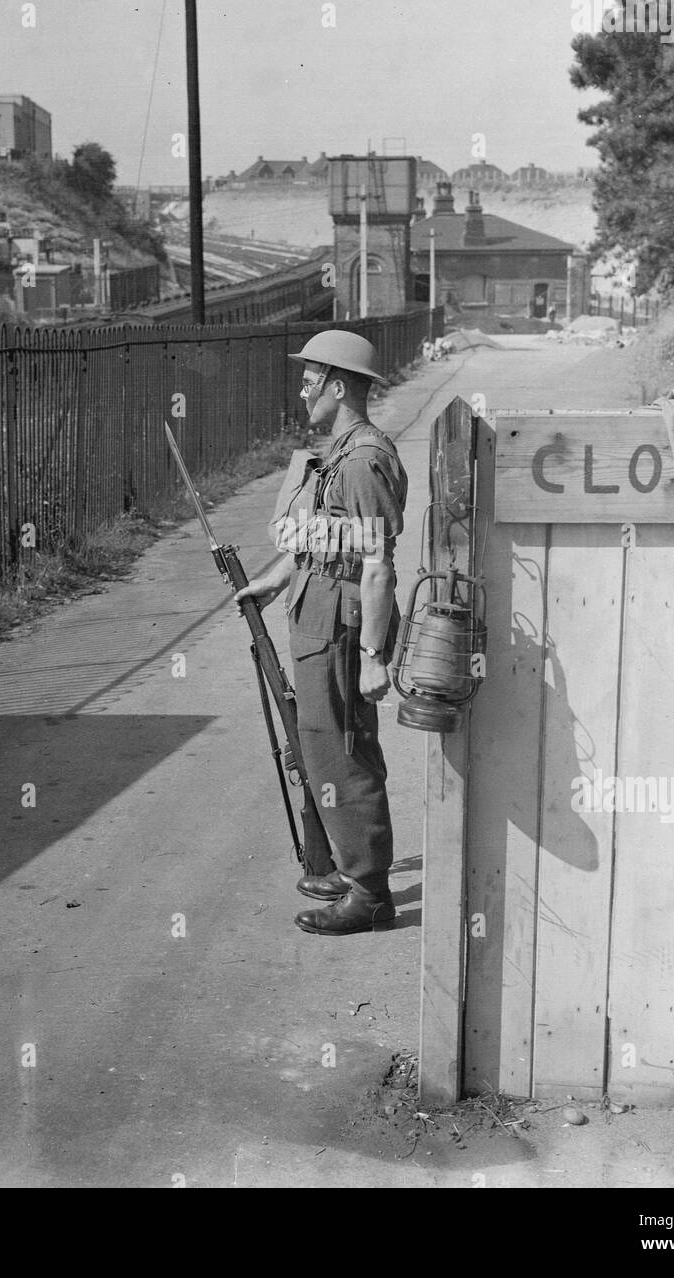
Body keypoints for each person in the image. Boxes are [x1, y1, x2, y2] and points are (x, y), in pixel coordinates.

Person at [234, 330, 407, 935]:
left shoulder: (362, 460)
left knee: (345, 751)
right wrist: (276, 580)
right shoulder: (337, 452)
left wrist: (371, 656)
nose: (303, 390)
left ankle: (370, 891)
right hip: (315, 609)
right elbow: (318, 538)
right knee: (320, 744)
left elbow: (378, 563)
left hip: (342, 622)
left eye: (311, 380)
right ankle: (348, 866)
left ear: (338, 385)